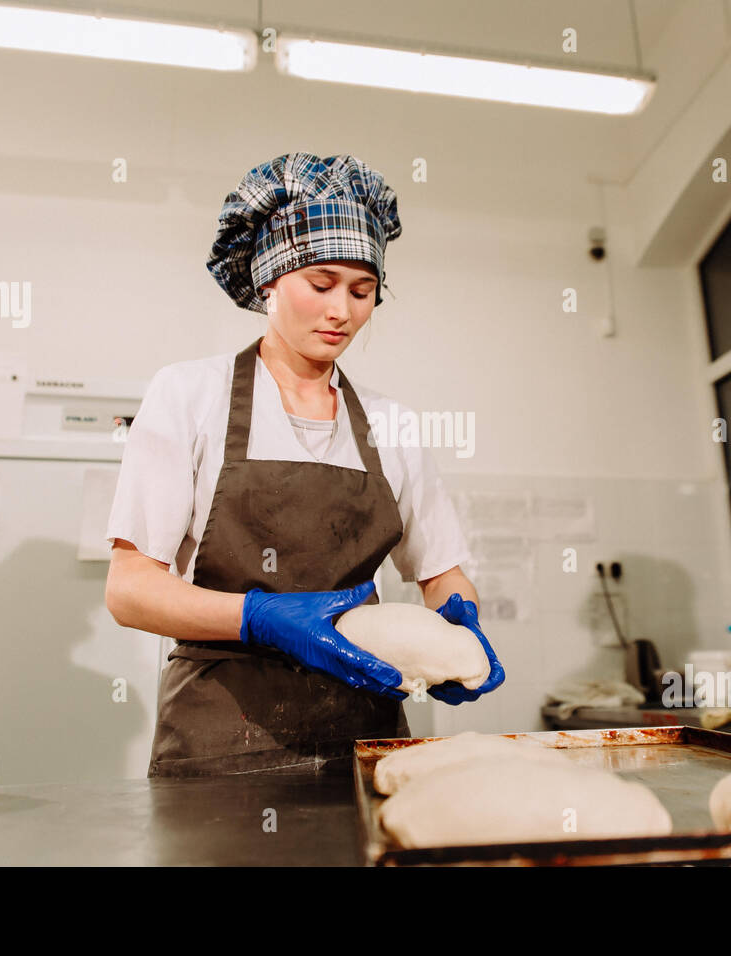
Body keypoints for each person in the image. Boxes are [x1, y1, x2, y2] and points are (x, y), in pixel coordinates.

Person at [104, 152, 505, 775]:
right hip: (221, 733)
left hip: (366, 731)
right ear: (268, 281)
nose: (342, 311)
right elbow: (130, 590)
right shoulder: (189, 394)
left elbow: (441, 573)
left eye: (363, 290)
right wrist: (258, 618)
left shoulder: (391, 422)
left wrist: (461, 629)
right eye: (321, 284)